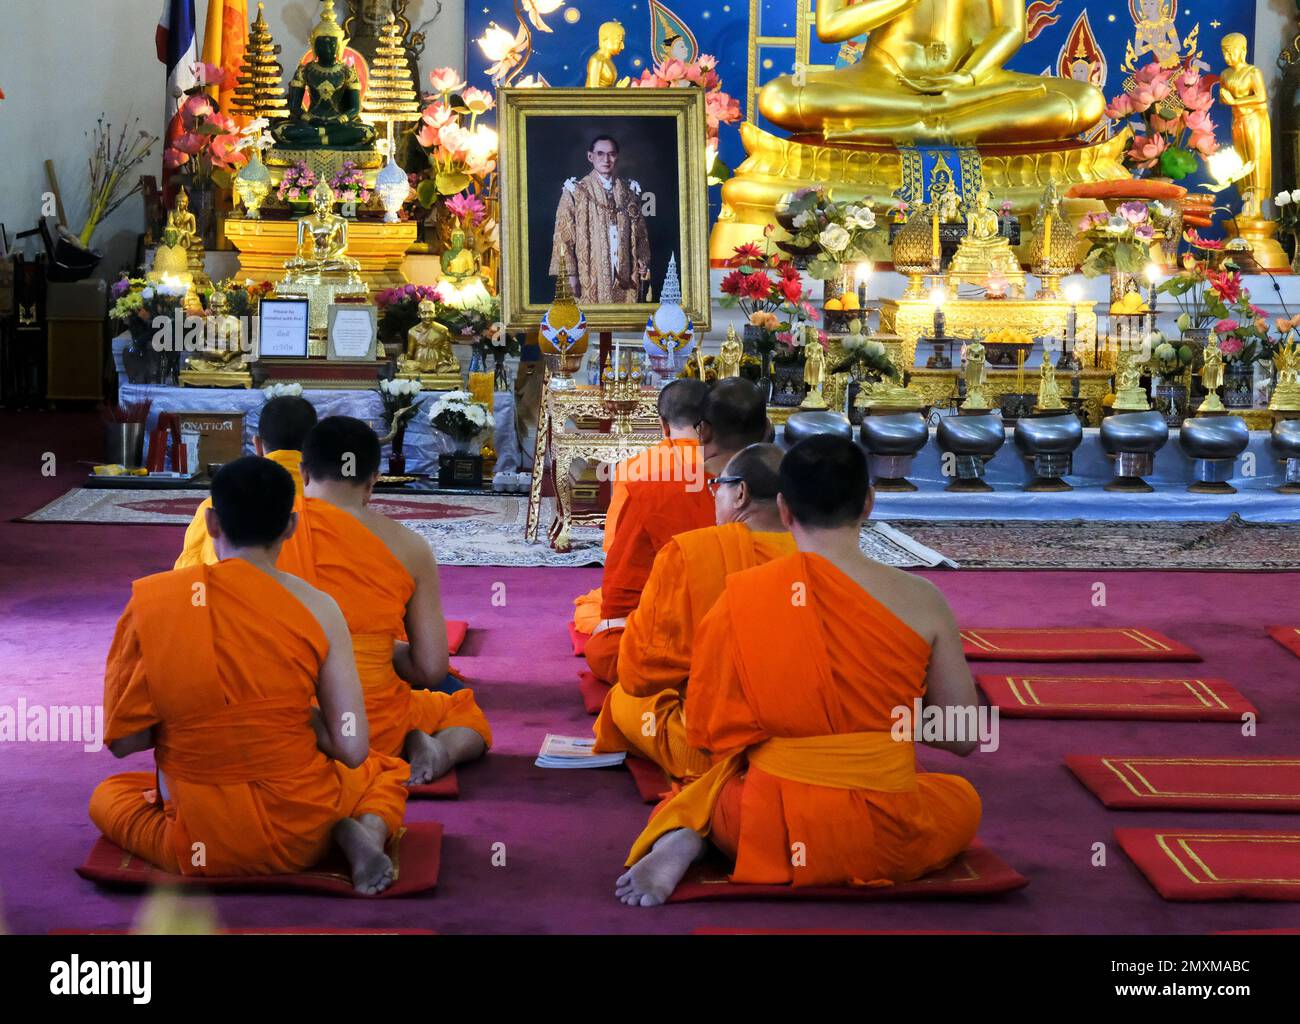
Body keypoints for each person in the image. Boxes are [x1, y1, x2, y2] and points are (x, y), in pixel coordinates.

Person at [615, 435, 982, 906]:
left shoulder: (742, 595)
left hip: (764, 823)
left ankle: (695, 833)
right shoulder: (923, 599)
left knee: (713, 789)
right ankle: (698, 830)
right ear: (868, 503)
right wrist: (870, 727)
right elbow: (962, 735)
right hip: (887, 830)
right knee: (961, 799)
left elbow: (709, 731)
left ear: (785, 510)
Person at [90, 457, 409, 894]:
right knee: (383, 770)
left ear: (212, 522)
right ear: (291, 527)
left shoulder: (158, 602)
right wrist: (293, 717)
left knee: (109, 796)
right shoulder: (320, 608)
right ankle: (364, 831)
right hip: (302, 833)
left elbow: (124, 743)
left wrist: (199, 715)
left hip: (200, 840)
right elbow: (351, 749)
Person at [279, 417, 491, 784]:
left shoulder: (266, 532)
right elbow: (430, 669)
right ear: (373, 480)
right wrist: (381, 650)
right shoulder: (409, 546)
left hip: (281, 722)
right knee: (461, 709)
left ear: (303, 472)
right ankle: (441, 750)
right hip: (371, 725)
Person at [592, 444, 793, 782]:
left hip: (713, 751)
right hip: (807, 746)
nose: (713, 496)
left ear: (740, 493)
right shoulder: (823, 555)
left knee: (622, 700)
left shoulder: (691, 553)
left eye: (717, 487)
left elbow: (639, 675)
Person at [584, 379, 769, 683]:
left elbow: (620, 597)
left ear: (704, 430)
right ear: (765, 431)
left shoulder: (654, 489)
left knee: (605, 646)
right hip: (767, 646)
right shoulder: (790, 489)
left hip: (683, 652)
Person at [572, 378, 709, 635]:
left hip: (655, 597)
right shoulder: (725, 465)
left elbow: (615, 549)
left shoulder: (635, 468)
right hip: (714, 590)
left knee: (592, 613)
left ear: (663, 425)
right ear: (710, 424)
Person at [175, 395, 318, 569]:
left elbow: (189, 573)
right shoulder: (330, 506)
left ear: (257, 445)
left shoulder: (216, 504)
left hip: (226, 592)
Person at [549, 134, 651, 304]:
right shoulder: (575, 192)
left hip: (623, 269)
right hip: (589, 270)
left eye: (611, 154)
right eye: (600, 153)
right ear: (591, 156)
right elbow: (563, 237)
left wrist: (642, 261)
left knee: (621, 318)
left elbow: (640, 232)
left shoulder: (629, 192)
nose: (606, 159)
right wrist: (571, 275)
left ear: (617, 157)